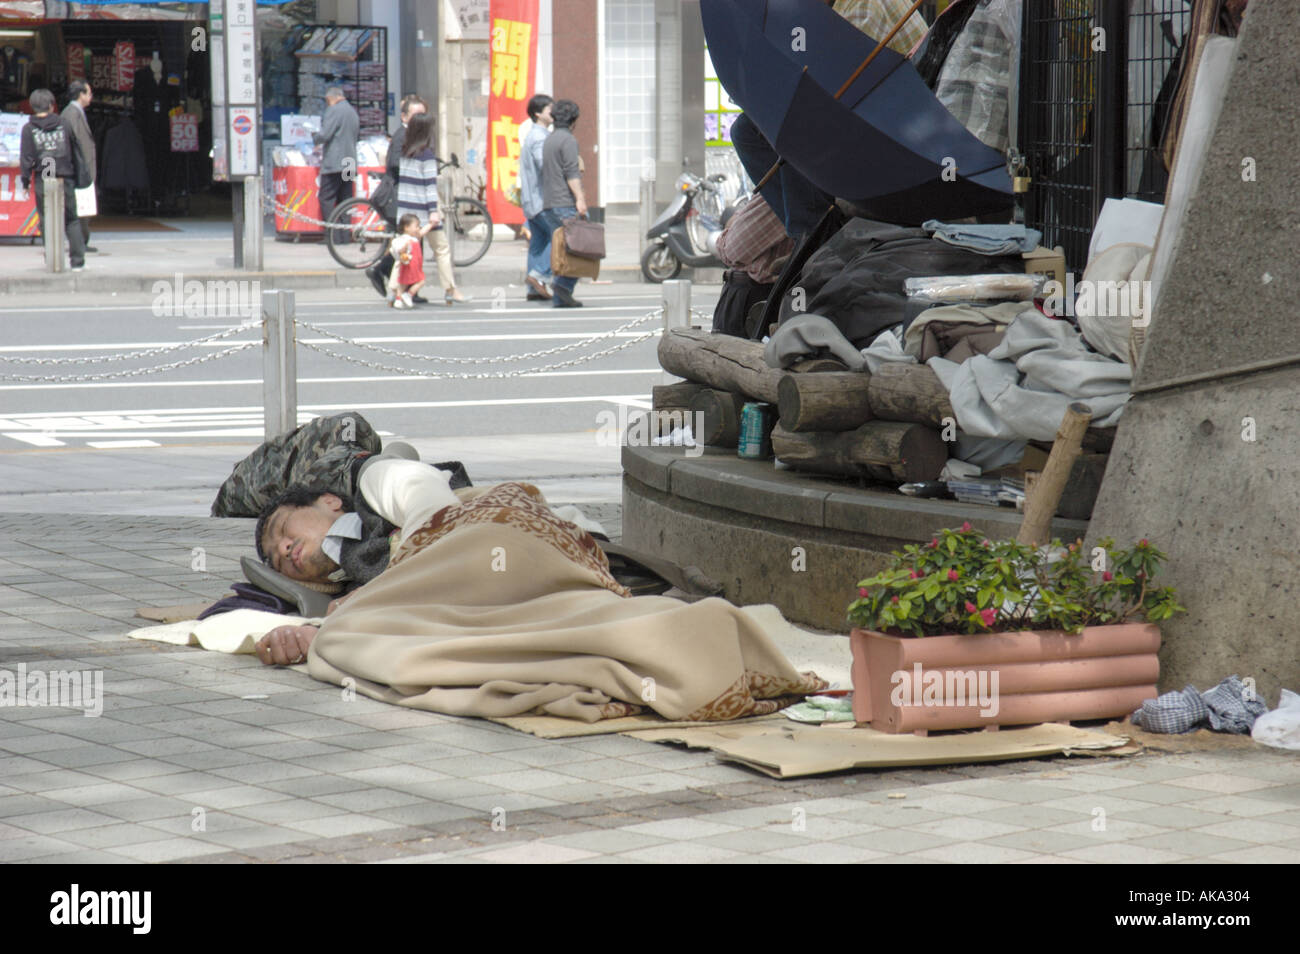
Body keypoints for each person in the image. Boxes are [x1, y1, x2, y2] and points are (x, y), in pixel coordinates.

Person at [252, 476, 826, 725]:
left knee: (353, 636)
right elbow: (421, 611)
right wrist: (348, 611)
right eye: (277, 559)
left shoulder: (378, 484)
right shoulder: (351, 590)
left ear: (329, 501)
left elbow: (429, 506)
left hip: (497, 537)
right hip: (473, 588)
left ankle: (680, 641)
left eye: (283, 531)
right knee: (548, 633)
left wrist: (358, 606)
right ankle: (684, 641)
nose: (284, 552)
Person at [731, 0, 928, 240]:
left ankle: (812, 238)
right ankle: (809, 236)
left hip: (903, 129)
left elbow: (838, 86)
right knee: (746, 130)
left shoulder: (865, 5)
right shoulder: (832, 11)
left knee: (797, 121)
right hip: (866, 117)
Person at [397, 113, 471, 306]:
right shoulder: (427, 155)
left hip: (405, 212)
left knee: (402, 255)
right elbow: (430, 186)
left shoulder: (405, 152)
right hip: (422, 213)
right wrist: (433, 212)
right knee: (442, 249)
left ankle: (396, 292)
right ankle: (450, 290)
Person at [366, 94, 432, 303]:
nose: (420, 118)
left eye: (423, 114)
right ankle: (386, 275)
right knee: (409, 243)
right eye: (416, 114)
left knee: (410, 243)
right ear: (404, 117)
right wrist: (416, 165)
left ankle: (405, 286)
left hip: (407, 196)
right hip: (399, 196)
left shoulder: (413, 135)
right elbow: (394, 162)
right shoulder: (402, 135)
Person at [18, 88, 87, 270]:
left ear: (32, 106)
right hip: (65, 176)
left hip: (44, 178)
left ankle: (52, 258)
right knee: (71, 219)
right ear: (51, 105)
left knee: (46, 219)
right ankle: (77, 261)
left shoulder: (29, 129)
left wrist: (25, 182)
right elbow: (75, 150)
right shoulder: (64, 124)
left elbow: (26, 158)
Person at [712, 194, 794, 337]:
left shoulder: (780, 191)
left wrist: (734, 221)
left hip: (754, 297)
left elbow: (732, 250)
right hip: (759, 295)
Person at [533, 99, 587, 308]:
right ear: (574, 120)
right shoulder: (568, 141)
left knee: (564, 249)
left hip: (549, 203)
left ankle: (561, 293)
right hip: (565, 202)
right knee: (581, 246)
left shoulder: (550, 139)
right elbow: (572, 173)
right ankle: (561, 286)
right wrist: (580, 199)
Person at [519, 93, 554, 301]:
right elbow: (545, 165)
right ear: (538, 113)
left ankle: (533, 289)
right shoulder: (540, 138)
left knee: (538, 242)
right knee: (559, 235)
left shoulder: (533, 136)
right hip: (541, 199)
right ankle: (538, 275)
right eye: (550, 110)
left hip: (531, 199)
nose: (554, 113)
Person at [313, 86, 360, 228]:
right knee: (346, 197)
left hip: (335, 161)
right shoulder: (352, 111)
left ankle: (332, 233)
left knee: (326, 197)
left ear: (332, 98)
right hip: (350, 160)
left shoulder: (333, 110)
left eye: (327, 100)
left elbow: (325, 134)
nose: (327, 103)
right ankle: (344, 233)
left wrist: (314, 137)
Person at [60, 80, 97, 254]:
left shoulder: (76, 112)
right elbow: (72, 143)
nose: (90, 96)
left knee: (84, 206)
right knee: (78, 207)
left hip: (83, 168)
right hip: (79, 168)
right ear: (80, 94)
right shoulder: (71, 113)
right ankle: (79, 241)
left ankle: (82, 240)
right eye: (88, 93)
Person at [387, 213, 432, 308]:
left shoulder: (414, 238)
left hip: (414, 265)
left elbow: (423, 232)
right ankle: (408, 295)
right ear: (407, 227)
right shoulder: (404, 239)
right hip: (408, 264)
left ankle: (398, 299)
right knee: (420, 281)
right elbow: (399, 251)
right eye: (416, 226)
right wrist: (405, 246)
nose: (418, 228)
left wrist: (431, 224)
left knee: (403, 283)